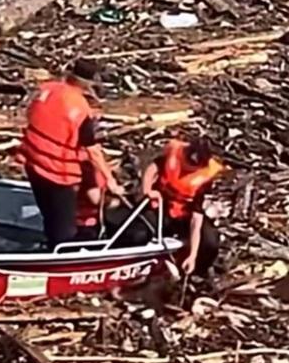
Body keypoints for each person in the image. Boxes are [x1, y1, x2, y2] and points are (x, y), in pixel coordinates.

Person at [20, 58, 124, 248]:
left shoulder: (47, 90)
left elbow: (33, 117)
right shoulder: (80, 109)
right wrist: (110, 181)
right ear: (89, 84)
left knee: (49, 216)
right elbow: (92, 150)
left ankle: (50, 244)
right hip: (58, 173)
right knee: (64, 231)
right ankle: (59, 262)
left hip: (33, 164)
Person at [141, 135, 223, 275]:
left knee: (210, 241)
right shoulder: (175, 152)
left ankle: (195, 271)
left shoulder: (204, 178)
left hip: (185, 215)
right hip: (161, 206)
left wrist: (192, 255)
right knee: (139, 232)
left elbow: (196, 218)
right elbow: (153, 168)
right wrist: (147, 190)